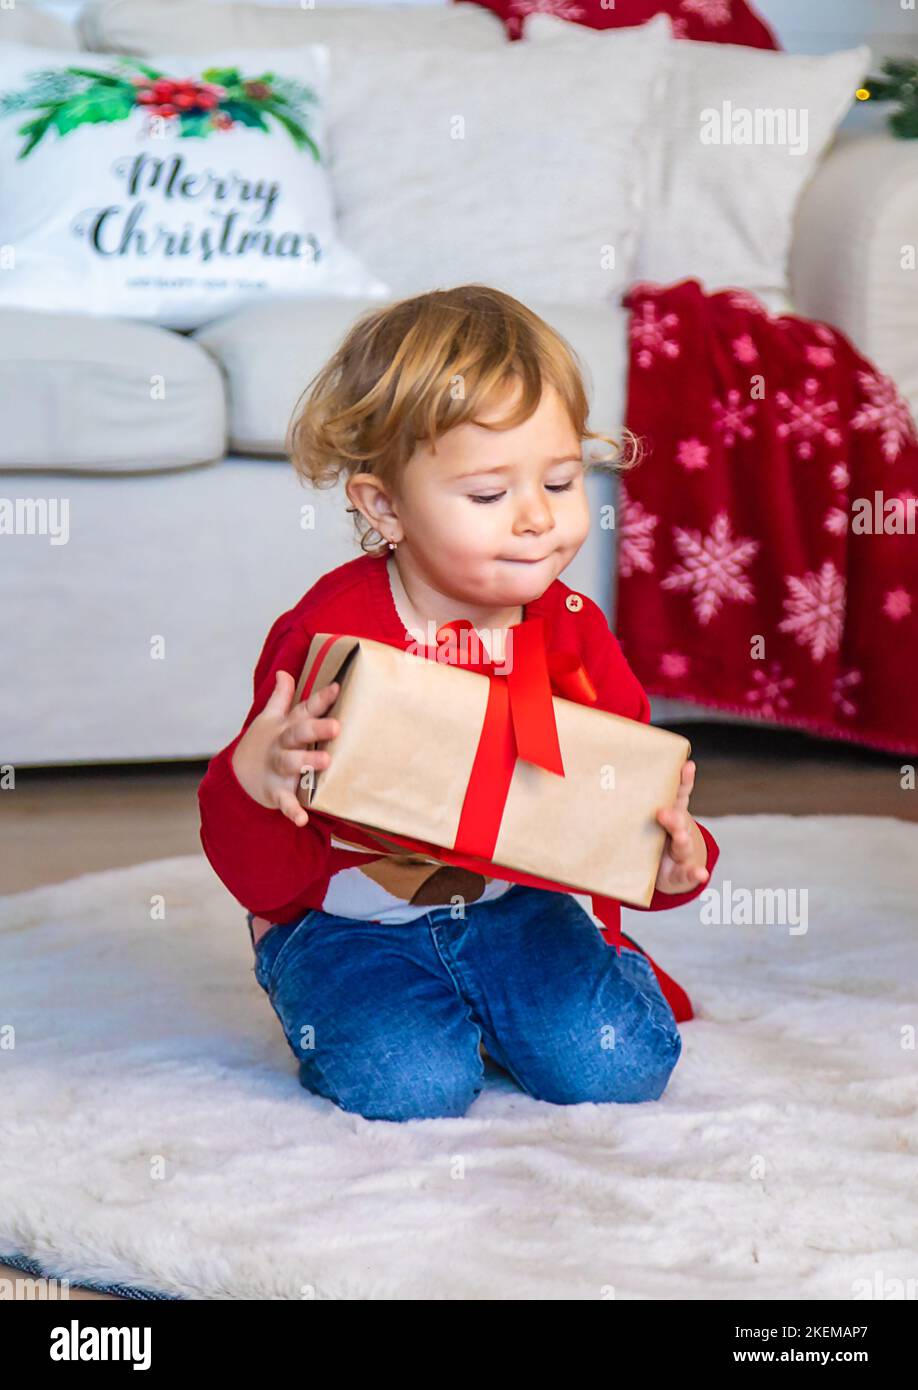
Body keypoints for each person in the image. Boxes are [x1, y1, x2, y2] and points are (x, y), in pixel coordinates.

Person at [198, 284, 720, 1121]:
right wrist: (256, 780)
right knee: (411, 1086)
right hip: (351, 921)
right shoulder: (328, 637)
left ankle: (563, 982)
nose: (535, 522)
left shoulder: (573, 630)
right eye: (487, 497)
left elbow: (613, 809)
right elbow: (252, 860)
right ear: (385, 506)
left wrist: (670, 864)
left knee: (623, 1068)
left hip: (516, 905)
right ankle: (353, 994)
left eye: (559, 481)